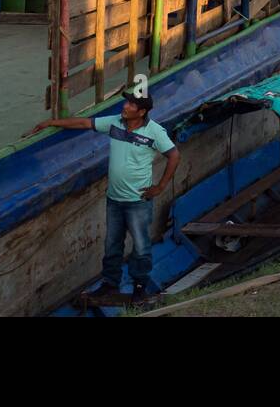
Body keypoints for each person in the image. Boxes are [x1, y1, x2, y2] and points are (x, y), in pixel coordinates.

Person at [32, 91, 180, 298]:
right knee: (112, 245)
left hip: (138, 201)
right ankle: (110, 284)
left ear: (142, 111)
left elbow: (173, 155)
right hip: (114, 200)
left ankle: (139, 286)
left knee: (140, 246)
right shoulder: (115, 123)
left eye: (131, 105)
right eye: (126, 102)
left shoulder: (154, 132)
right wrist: (51, 123)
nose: (125, 107)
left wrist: (161, 186)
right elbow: (84, 124)